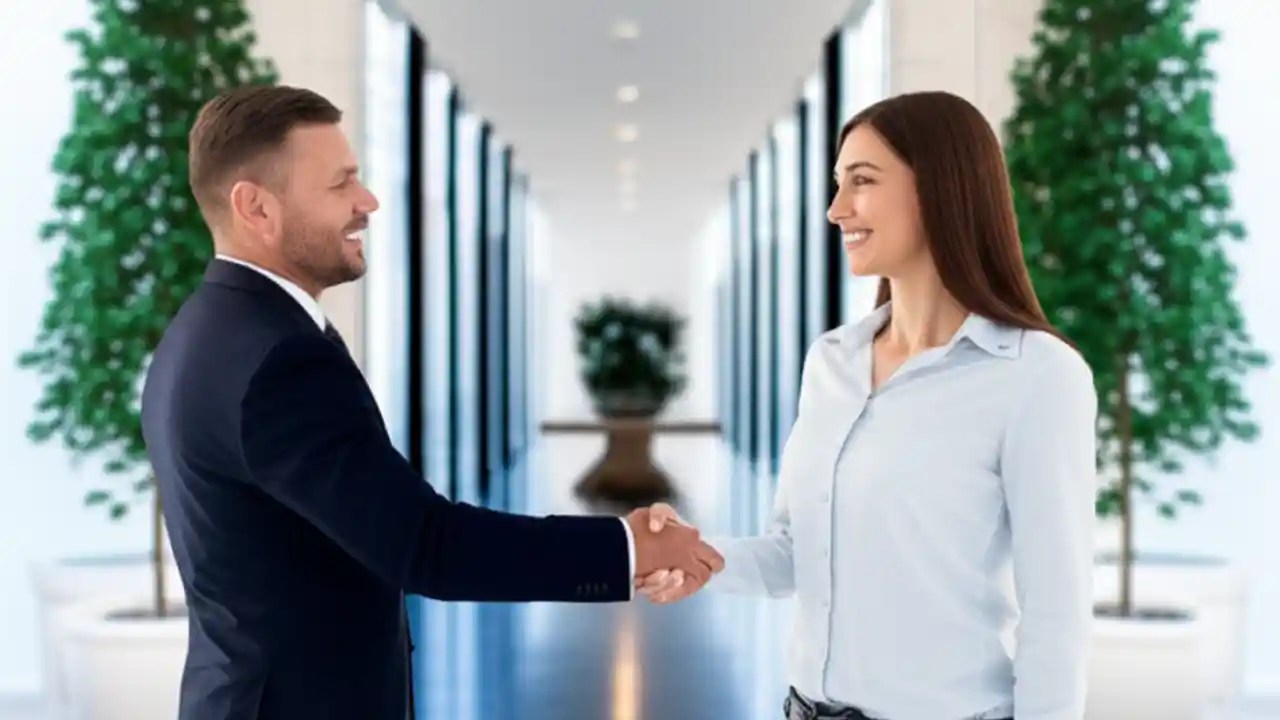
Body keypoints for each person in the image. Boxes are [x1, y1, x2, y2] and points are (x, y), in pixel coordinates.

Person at [139, 84, 723, 720]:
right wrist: (626, 548)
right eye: (340, 185)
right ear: (255, 207)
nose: (368, 201)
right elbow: (427, 544)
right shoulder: (279, 359)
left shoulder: (205, 331)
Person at [637, 91, 1098, 720]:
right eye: (837, 183)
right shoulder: (832, 361)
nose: (836, 210)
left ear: (939, 189)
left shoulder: (1037, 377)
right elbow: (797, 549)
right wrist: (701, 558)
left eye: (862, 181)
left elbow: (1057, 615)